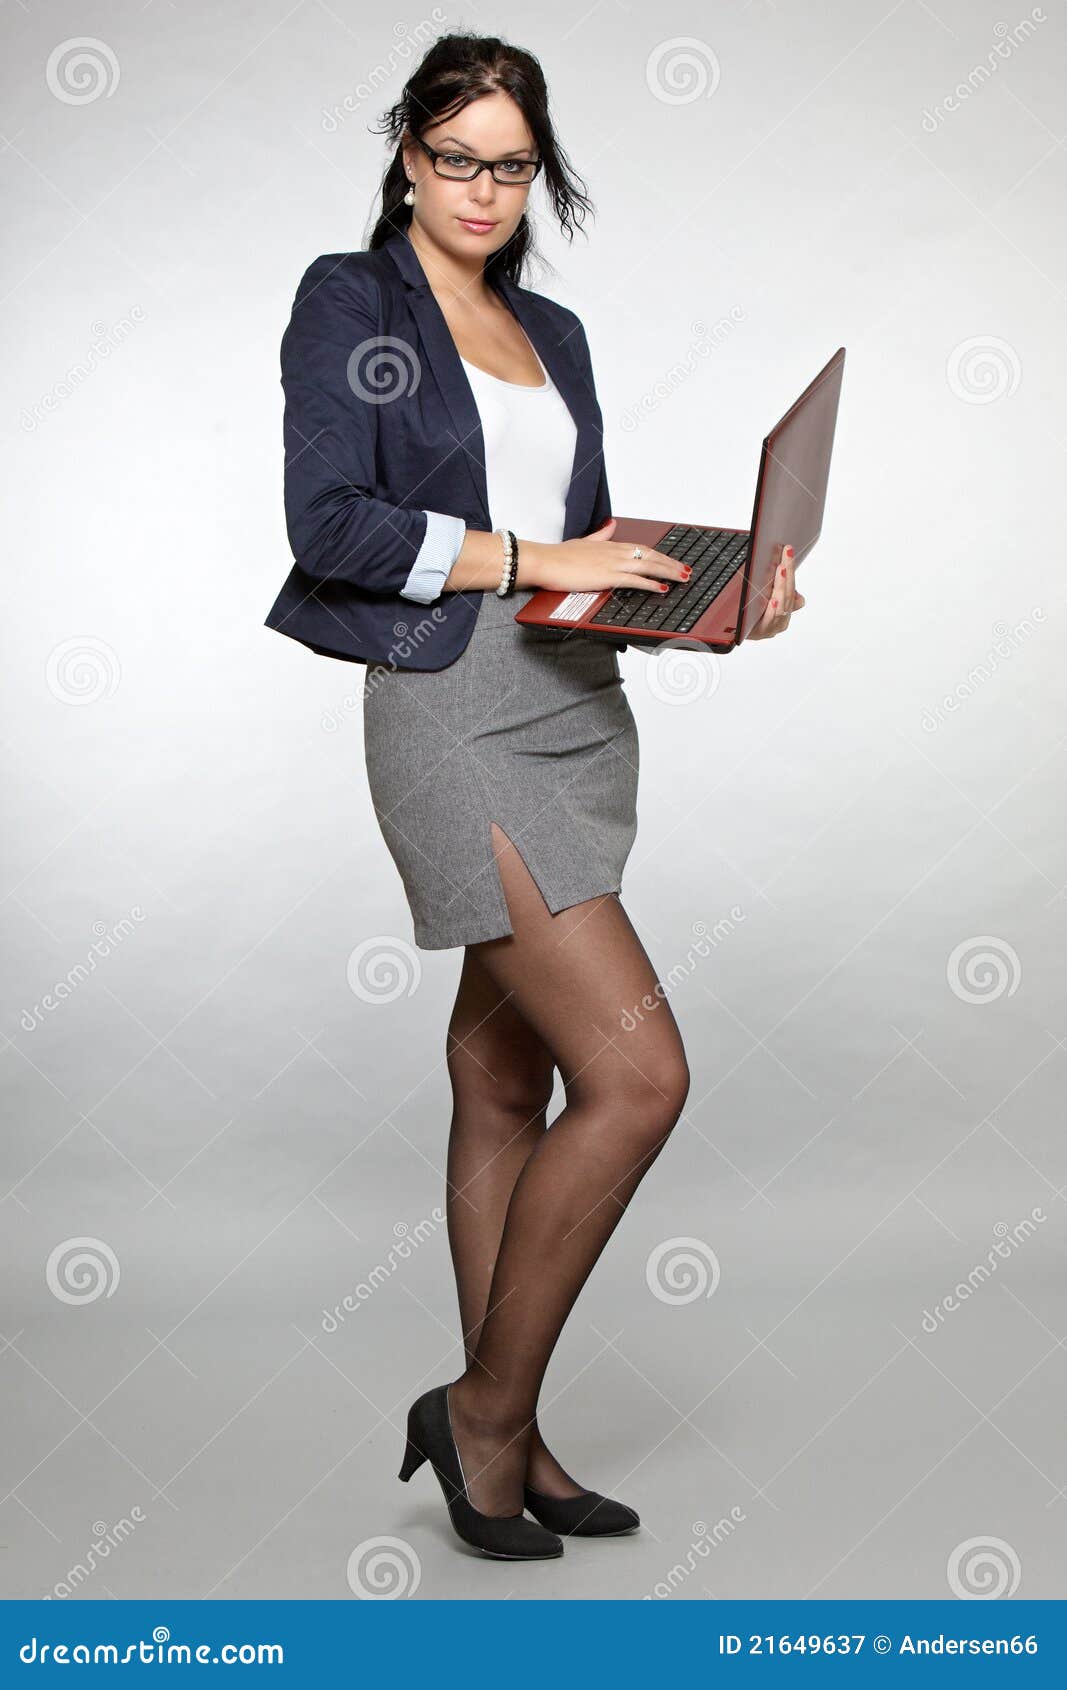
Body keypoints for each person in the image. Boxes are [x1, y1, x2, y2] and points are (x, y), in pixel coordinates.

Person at [265, 31, 804, 1562]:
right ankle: (482, 1411)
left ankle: (520, 1432)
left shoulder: (549, 329)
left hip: (572, 700)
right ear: (408, 157)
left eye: (512, 165)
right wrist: (535, 558)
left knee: (504, 1081)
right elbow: (333, 523)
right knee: (640, 1078)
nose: (484, 191)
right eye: (457, 159)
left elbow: (586, 545)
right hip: (450, 708)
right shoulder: (352, 302)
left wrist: (712, 597)